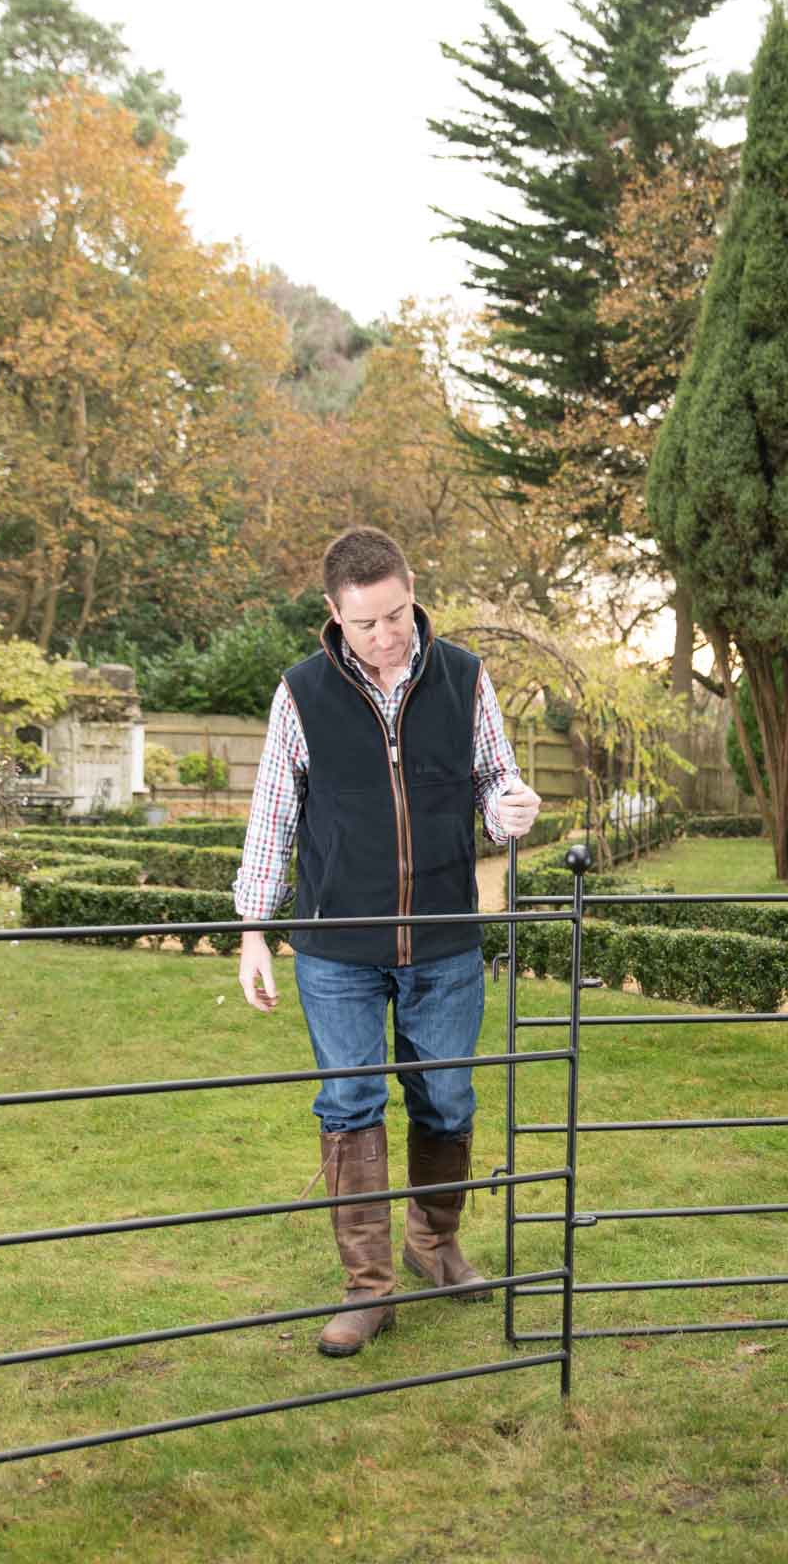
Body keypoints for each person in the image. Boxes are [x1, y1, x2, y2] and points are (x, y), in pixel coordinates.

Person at [233, 526, 541, 1357]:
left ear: (412, 590)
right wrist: (254, 931)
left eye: (396, 614)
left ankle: (434, 1245)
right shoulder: (300, 694)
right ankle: (367, 1289)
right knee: (350, 1104)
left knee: (447, 1098)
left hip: (444, 937)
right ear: (333, 615)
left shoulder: (466, 677)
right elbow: (272, 817)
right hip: (338, 945)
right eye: (365, 623)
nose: (386, 636)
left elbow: (493, 779)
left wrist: (511, 805)